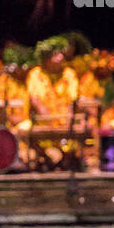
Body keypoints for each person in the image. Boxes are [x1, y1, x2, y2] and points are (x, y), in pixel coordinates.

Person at [26, 37, 81, 167]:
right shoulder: (35, 74)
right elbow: (35, 100)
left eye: (61, 53)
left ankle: (66, 159)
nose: (61, 57)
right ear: (46, 57)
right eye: (56, 54)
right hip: (42, 120)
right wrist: (48, 119)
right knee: (26, 130)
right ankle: (46, 157)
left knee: (81, 126)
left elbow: (72, 101)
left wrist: (67, 121)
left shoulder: (69, 74)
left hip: (65, 120)